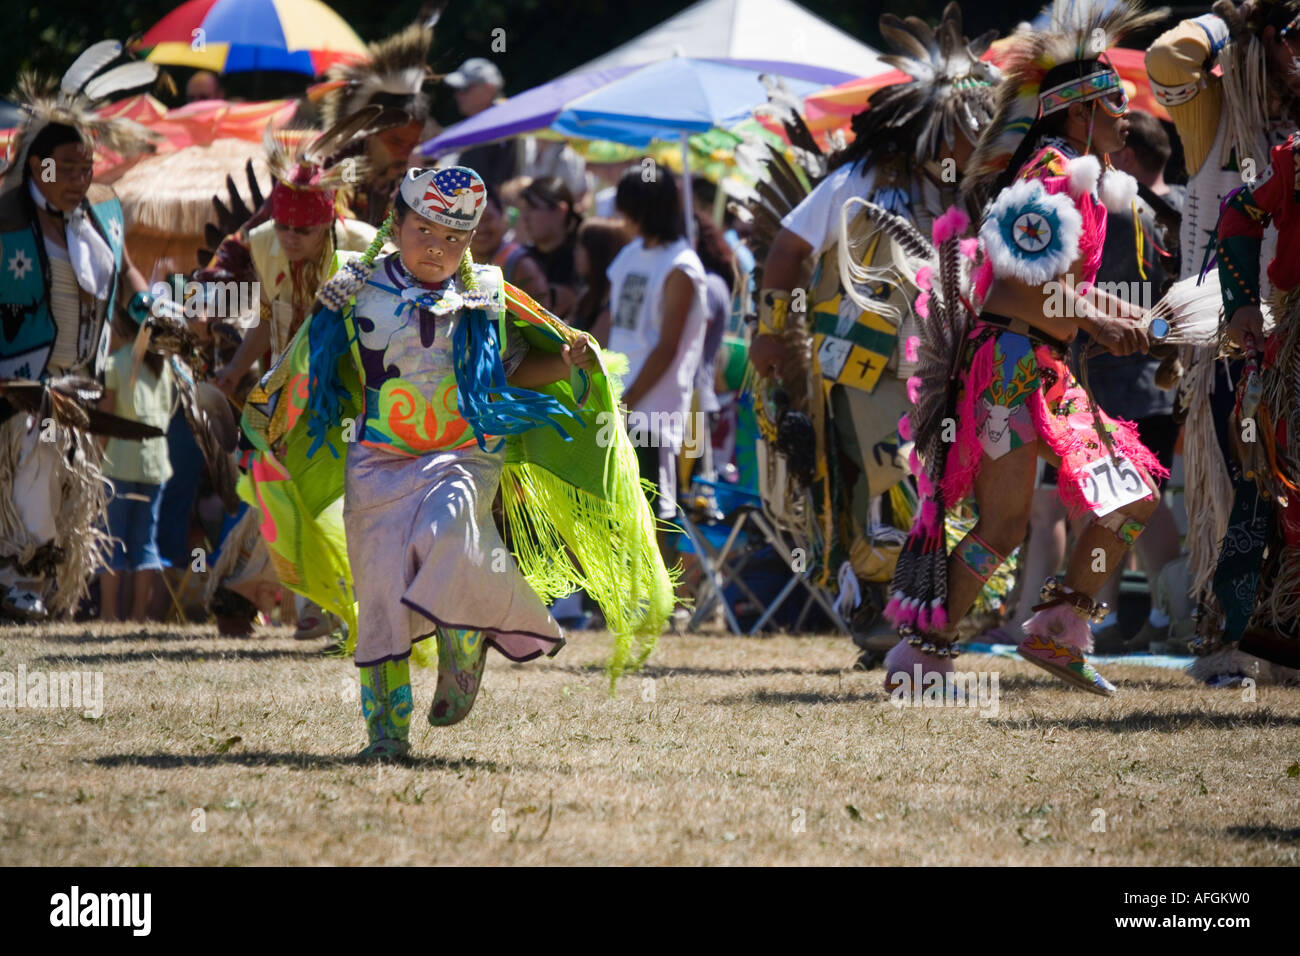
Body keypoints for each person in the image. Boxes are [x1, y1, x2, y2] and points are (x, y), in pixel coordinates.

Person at [263, 166, 672, 758]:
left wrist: (565, 360)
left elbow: (510, 373)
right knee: (377, 594)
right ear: (395, 224)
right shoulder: (352, 290)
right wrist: (282, 423)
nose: (438, 247)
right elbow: (314, 371)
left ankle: (464, 634)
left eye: (455, 238)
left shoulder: (485, 295)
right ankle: (385, 732)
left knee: (449, 526)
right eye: (424, 230)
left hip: (462, 452)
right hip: (376, 461)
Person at [884, 0, 1168, 697]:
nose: (1125, 113)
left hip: (1035, 366)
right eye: (1112, 101)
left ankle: (1057, 629)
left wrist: (1132, 317)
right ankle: (920, 661)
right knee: (1009, 522)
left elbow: (1055, 288)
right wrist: (1096, 322)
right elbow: (1009, 286)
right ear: (1077, 112)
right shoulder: (1050, 171)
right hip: (1009, 365)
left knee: (1131, 489)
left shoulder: (1079, 177)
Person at [746, 3, 999, 646]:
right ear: (941, 128)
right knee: (890, 478)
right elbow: (788, 249)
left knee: (931, 487)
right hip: (863, 361)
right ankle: (882, 603)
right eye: (973, 127)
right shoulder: (863, 178)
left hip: (947, 364)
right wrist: (774, 328)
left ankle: (901, 605)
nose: (984, 139)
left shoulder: (980, 193)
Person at [1146, 0, 1300, 677]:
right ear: (1264, 40)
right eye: (1292, 37)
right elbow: (1165, 61)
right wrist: (1226, 24)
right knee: (1244, 488)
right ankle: (1230, 641)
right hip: (1234, 335)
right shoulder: (1214, 109)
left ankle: (1284, 634)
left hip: (1292, 331)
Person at [207, 117, 381, 641]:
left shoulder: (365, 248)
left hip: (348, 396)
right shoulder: (263, 243)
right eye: (284, 227)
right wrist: (237, 370)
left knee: (333, 495)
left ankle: (283, 597)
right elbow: (266, 315)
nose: (290, 238)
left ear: (328, 224)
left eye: (302, 231)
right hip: (285, 392)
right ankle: (269, 595)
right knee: (281, 490)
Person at [0, 51, 159, 621]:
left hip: (79, 388)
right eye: (64, 168)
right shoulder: (6, 219)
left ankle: (33, 585)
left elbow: (126, 279)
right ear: (37, 166)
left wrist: (154, 314)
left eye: (86, 168)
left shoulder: (98, 220)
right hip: (19, 387)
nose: (77, 179)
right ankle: (18, 579)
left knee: (63, 490)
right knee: (35, 469)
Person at [1213, 129, 1300, 674]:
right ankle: (1284, 619)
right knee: (1288, 480)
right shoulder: (1293, 159)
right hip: (1297, 343)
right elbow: (1237, 212)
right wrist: (1241, 302)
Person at [607, 166, 708, 564]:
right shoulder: (631, 254)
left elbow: (668, 346)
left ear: (643, 210)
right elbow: (614, 321)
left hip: (654, 406)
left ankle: (659, 595)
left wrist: (629, 399)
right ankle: (624, 592)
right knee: (619, 502)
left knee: (655, 503)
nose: (621, 218)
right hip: (618, 392)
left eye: (627, 209)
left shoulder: (681, 266)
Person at [98, 315, 175, 621]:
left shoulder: (114, 364)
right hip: (155, 463)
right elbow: (168, 413)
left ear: (120, 328)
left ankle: (107, 615)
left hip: (118, 463)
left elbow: (105, 422)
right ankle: (140, 615)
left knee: (110, 540)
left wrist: (93, 461)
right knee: (145, 541)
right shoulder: (162, 365)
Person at [443, 58, 524, 185]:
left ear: (488, 89)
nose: (458, 95)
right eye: (457, 89)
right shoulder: (475, 126)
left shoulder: (505, 126)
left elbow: (504, 186)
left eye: (465, 88)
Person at [469, 186, 549, 305]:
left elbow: (541, 318)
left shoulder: (520, 266)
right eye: (472, 221)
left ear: (503, 217)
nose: (480, 228)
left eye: (487, 219)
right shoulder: (455, 262)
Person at [521, 176, 583, 316]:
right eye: (524, 209)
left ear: (561, 210)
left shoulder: (580, 259)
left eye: (532, 209)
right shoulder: (523, 257)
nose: (525, 217)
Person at [571, 217, 629, 342]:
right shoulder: (586, 297)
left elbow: (590, 348)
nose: (575, 252)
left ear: (598, 254)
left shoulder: (612, 306)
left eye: (581, 247)